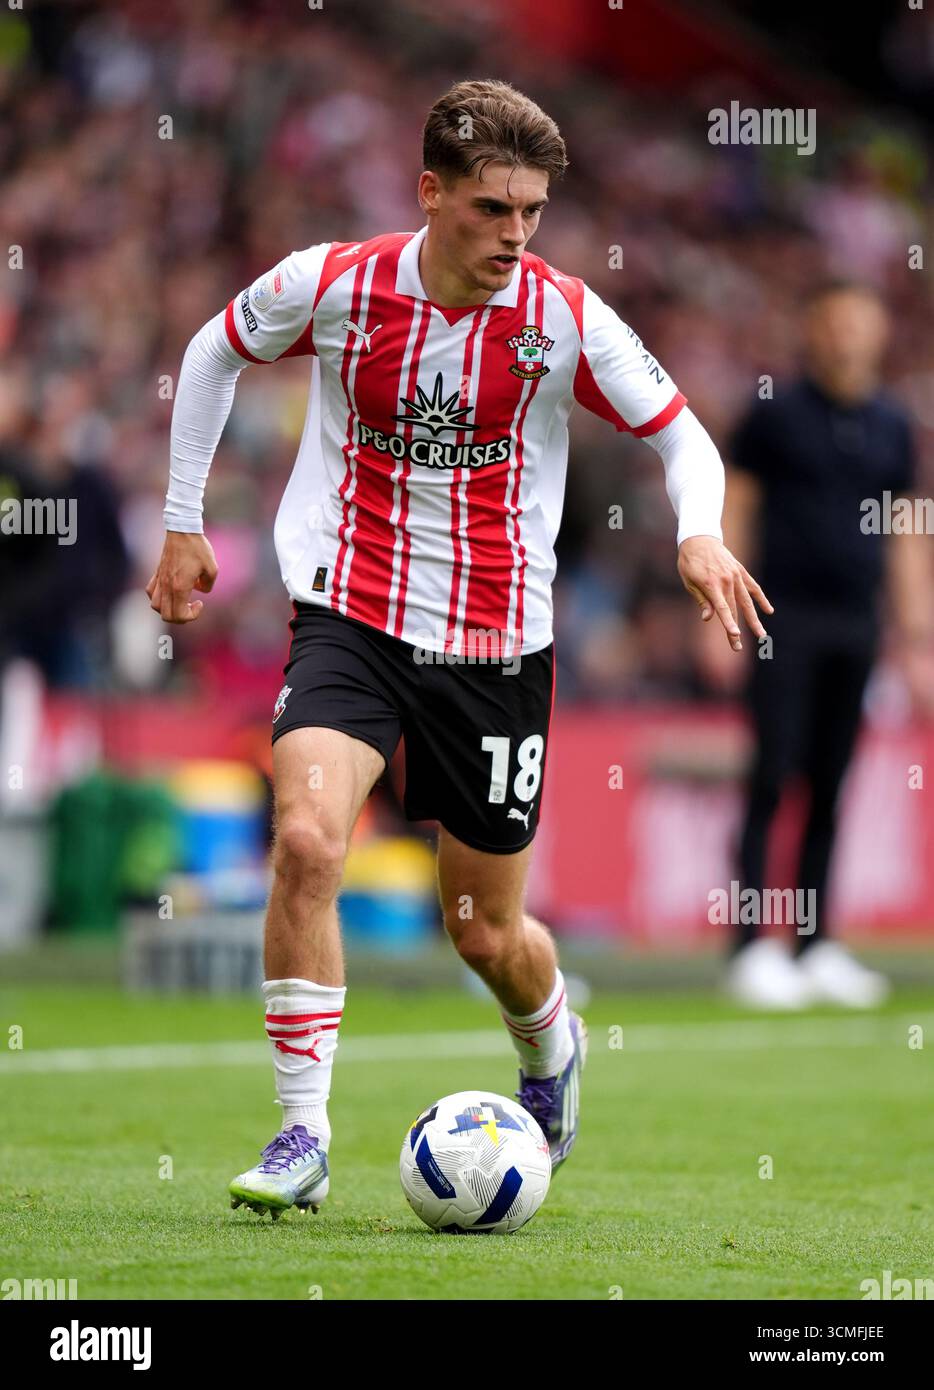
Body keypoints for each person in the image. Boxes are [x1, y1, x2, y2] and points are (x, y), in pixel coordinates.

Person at [149, 79, 770, 1219]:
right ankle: (301, 1131)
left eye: (532, 211)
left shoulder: (560, 317)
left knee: (484, 929)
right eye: (493, 208)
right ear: (430, 193)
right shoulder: (335, 283)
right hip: (351, 615)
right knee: (303, 837)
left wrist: (696, 533)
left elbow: (682, 433)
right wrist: (183, 517)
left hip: (495, 648)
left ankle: (548, 1044)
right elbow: (210, 351)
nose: (516, 234)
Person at [722, 281, 932, 1010]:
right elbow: (738, 505)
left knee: (833, 784)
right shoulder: (776, 415)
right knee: (772, 775)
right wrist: (717, 613)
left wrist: (917, 636)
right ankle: (751, 946)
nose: (846, 338)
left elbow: (906, 526)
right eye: (835, 323)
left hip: (856, 622)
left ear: (878, 335)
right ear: (813, 331)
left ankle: (816, 943)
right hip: (782, 618)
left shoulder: (892, 426)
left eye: (859, 325)